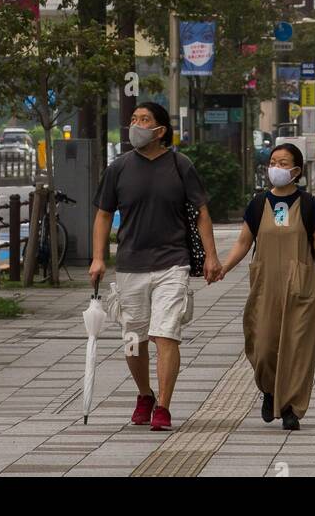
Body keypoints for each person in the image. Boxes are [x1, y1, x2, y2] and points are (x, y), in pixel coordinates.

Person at [90, 102, 219, 432]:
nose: (136, 124)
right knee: (134, 339)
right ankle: (144, 394)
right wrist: (98, 257)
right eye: (134, 119)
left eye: (144, 120)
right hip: (131, 265)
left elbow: (202, 212)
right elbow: (104, 215)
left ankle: (163, 405)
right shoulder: (118, 168)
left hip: (172, 264)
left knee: (166, 334)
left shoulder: (180, 165)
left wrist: (211, 256)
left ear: (160, 130)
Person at [218, 143, 315, 429]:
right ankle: (269, 389)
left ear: (296, 171)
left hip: (300, 285)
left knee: (297, 348)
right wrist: (223, 268)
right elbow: (242, 243)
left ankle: (290, 408)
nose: (277, 168)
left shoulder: (309, 204)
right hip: (265, 285)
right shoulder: (258, 204)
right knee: (262, 345)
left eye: (283, 163)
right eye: (274, 162)